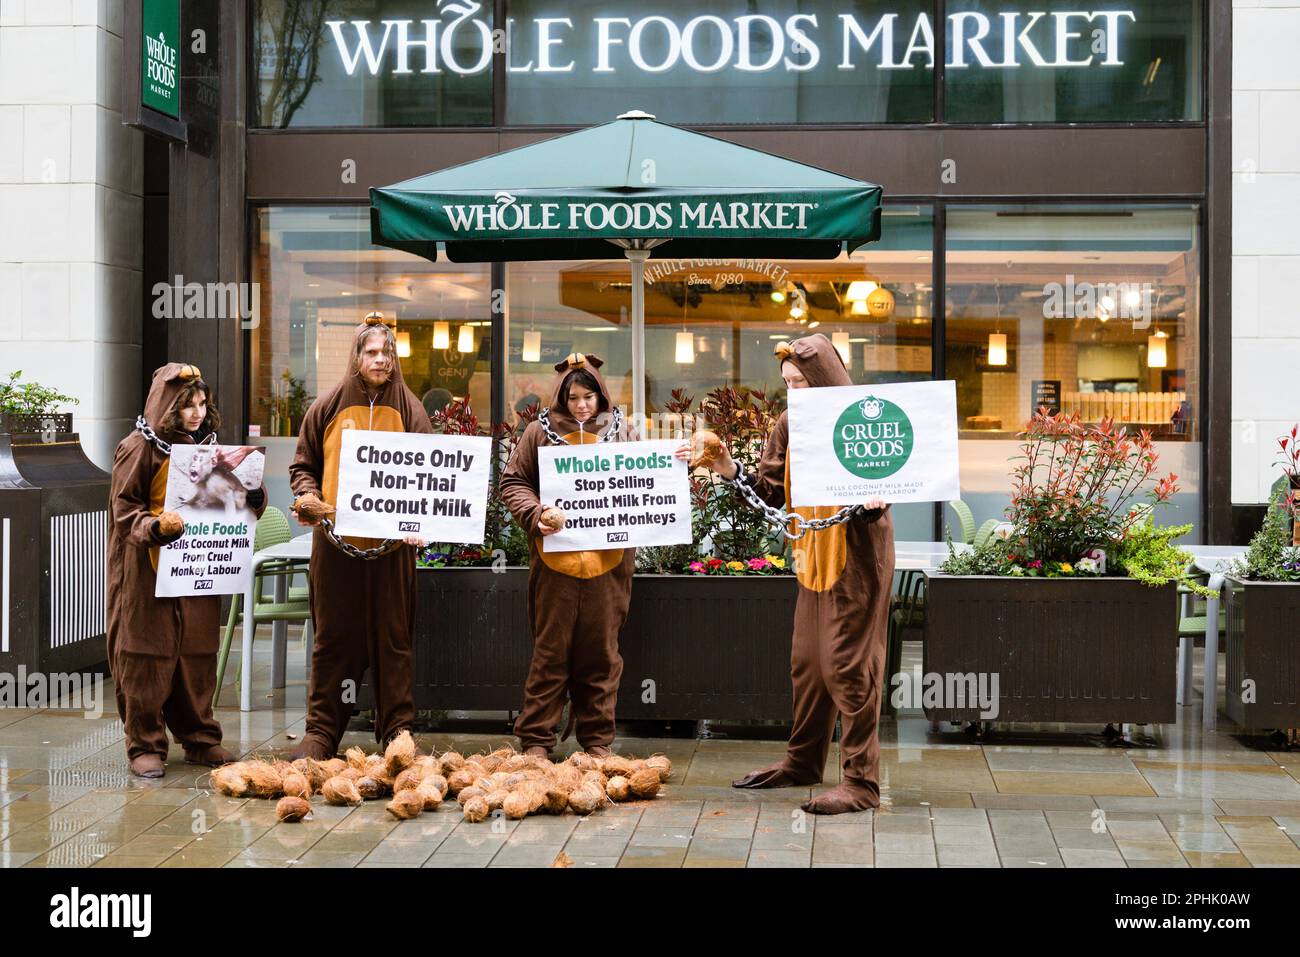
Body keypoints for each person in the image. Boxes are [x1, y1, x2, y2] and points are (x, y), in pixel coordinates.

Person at [681, 334, 896, 813]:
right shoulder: (789, 422)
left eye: (801, 381)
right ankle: (803, 761)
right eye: (787, 383)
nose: (793, 391)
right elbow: (769, 491)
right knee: (807, 664)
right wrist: (726, 465)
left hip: (857, 557)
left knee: (848, 665)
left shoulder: (864, 415)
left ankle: (862, 782)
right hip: (812, 555)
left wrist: (879, 496)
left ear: (823, 378)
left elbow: (894, 469)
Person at [107, 363, 267, 778]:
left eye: (201, 404)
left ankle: (199, 737)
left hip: (194, 572)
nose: (196, 412)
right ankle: (145, 743)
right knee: (146, 655)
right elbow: (124, 511)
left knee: (196, 653)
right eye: (186, 405)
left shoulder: (205, 451)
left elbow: (229, 503)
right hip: (146, 573)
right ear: (168, 406)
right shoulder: (137, 447)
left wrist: (252, 497)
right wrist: (155, 527)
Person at [288, 315, 431, 760]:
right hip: (336, 550)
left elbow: (429, 471)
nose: (380, 359)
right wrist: (308, 497)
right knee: (333, 638)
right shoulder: (326, 406)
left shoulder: (410, 410)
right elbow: (302, 466)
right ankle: (322, 731)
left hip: (392, 553)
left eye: (387, 352)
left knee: (394, 639)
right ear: (356, 355)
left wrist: (422, 522)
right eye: (371, 352)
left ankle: (396, 732)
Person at [500, 353, 637, 759]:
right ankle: (537, 740)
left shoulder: (624, 433)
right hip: (554, 563)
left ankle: (596, 741)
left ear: (601, 396)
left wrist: (676, 463)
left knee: (602, 654)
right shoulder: (537, 432)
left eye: (589, 397)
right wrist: (535, 512)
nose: (581, 405)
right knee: (550, 653)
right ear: (562, 396)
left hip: (608, 564)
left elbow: (651, 480)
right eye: (574, 397)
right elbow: (514, 482)